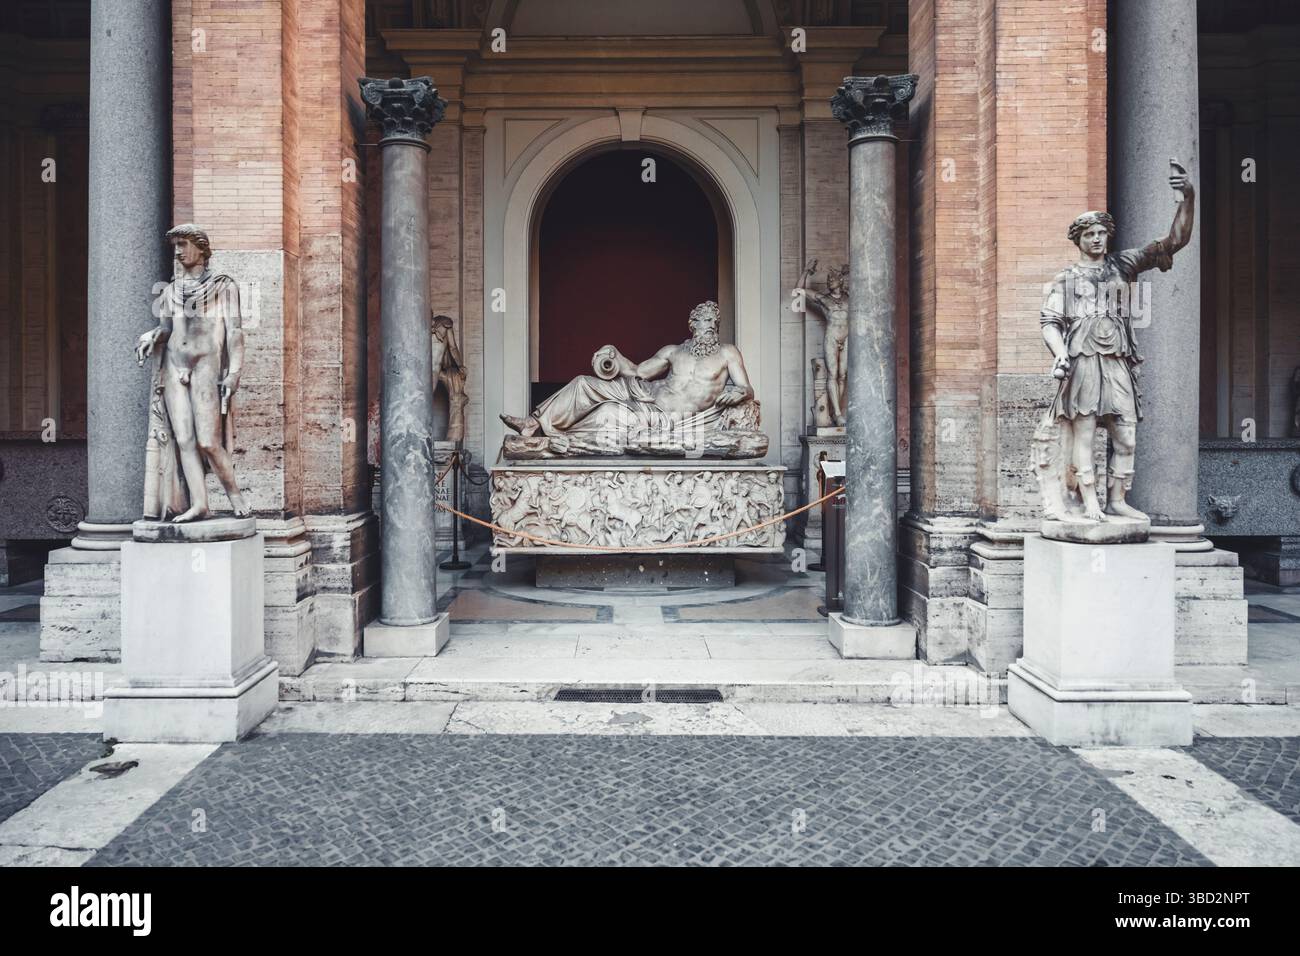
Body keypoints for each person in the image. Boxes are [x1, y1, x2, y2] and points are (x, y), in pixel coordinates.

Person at [1039, 159, 1195, 522]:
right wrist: (1060, 355)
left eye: (1101, 233)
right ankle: (1090, 499)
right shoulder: (1066, 278)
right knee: (1085, 433)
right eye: (1089, 234)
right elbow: (1049, 321)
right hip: (1082, 358)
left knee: (1127, 434)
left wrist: (1187, 196)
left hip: (1117, 358)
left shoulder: (1123, 265)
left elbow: (1175, 241)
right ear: (1078, 240)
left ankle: (1117, 498)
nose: (1096, 238)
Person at [500, 300, 754, 444]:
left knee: (607, 413)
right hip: (645, 392)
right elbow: (637, 371)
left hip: (666, 415)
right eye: (706, 320)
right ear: (692, 324)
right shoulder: (674, 351)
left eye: (715, 321)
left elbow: (747, 388)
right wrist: (613, 354)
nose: (711, 325)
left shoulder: (727, 352)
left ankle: (554, 437)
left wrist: (740, 393)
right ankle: (533, 424)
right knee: (582, 384)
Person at [136, 224, 250, 522]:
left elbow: (236, 332)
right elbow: (166, 328)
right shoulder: (170, 289)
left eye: (184, 243)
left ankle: (235, 495)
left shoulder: (224, 285)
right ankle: (200, 504)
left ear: (201, 247)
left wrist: (234, 372)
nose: (178, 250)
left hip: (205, 366)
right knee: (183, 439)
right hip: (174, 365)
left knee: (208, 441)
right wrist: (152, 336)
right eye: (175, 245)